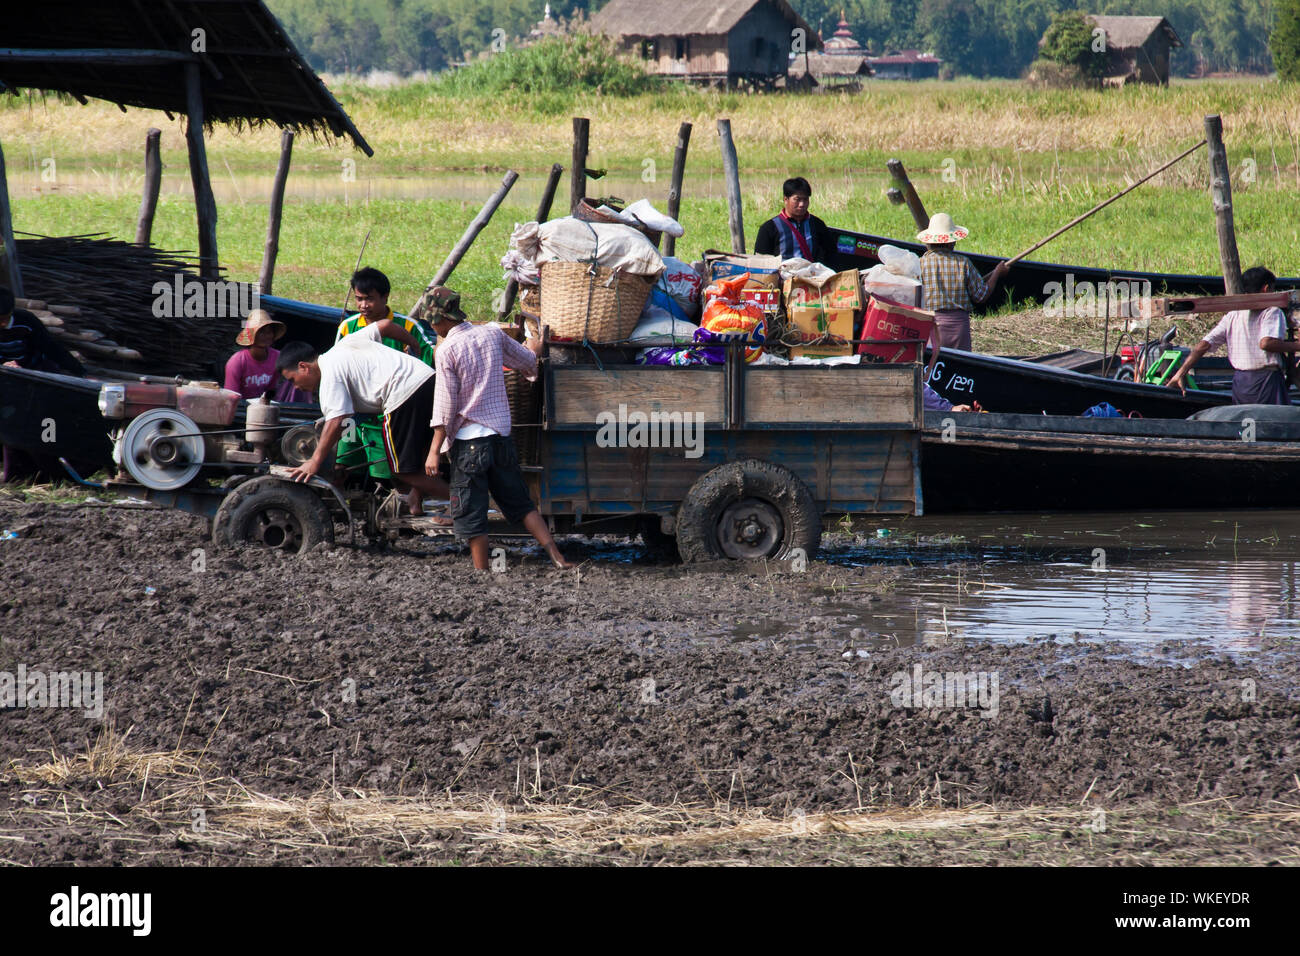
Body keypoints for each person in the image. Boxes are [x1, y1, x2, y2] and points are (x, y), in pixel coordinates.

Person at [418, 285, 574, 570]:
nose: (432, 325)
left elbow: (445, 407)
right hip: (500, 439)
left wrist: (434, 451)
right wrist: (536, 346)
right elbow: (528, 361)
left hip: (468, 444)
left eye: (432, 320)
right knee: (521, 503)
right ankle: (557, 557)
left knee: (471, 510)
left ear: (441, 319)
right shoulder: (491, 334)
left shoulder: (447, 350)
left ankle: (481, 571)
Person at [276, 320, 450, 512]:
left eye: (293, 380)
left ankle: (465, 504)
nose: (296, 387)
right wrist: (414, 344)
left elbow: (337, 420)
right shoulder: (345, 345)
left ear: (304, 366)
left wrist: (314, 462)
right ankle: (415, 501)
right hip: (428, 379)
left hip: (404, 394)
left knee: (403, 472)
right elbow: (384, 325)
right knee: (418, 461)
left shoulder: (329, 376)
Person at [334, 267, 439, 492]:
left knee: (391, 472)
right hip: (355, 414)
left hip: (390, 414)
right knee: (342, 464)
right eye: (359, 299)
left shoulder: (408, 327)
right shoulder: (348, 327)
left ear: (385, 297)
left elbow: (428, 359)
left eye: (369, 299)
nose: (363, 305)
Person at [1168, 266, 1295, 405]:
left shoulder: (1234, 315)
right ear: (1266, 288)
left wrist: (1180, 373)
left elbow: (1203, 345)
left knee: (1245, 423)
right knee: (1272, 423)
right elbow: (1266, 343)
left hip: (1241, 383)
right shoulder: (1272, 312)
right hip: (1266, 381)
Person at [917, 213, 1009, 351]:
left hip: (931, 326)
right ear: (951, 242)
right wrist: (997, 273)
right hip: (958, 329)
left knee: (933, 367)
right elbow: (981, 296)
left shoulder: (920, 264)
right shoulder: (963, 263)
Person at [224, 309, 312, 403]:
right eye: (261, 332)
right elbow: (231, 396)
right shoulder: (237, 361)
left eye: (269, 332)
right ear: (252, 336)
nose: (266, 336)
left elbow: (271, 389)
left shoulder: (277, 357)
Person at [0, 286, 85, 376]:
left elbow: (51, 347)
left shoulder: (25, 320)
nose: (3, 324)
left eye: (6, 318)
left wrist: (80, 372)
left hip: (33, 367)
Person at [753, 177, 833, 264]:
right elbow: (760, 261)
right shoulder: (769, 228)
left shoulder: (817, 225)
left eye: (805, 199)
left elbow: (830, 255)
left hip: (811, 275)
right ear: (785, 199)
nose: (802, 204)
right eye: (797, 199)